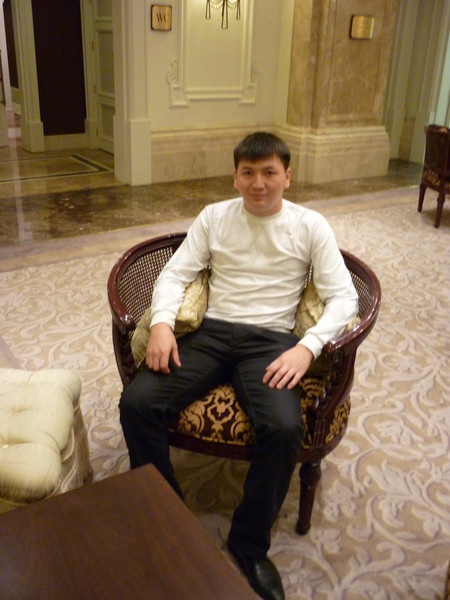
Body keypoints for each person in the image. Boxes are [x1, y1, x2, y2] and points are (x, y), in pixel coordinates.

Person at [119, 132, 358, 600]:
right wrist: (162, 323)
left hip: (271, 342)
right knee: (137, 403)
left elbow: (344, 297)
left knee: (284, 428)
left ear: (287, 176)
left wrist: (307, 347)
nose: (258, 183)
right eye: (248, 172)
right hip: (210, 333)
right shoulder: (214, 217)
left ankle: (249, 545)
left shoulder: (310, 225)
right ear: (235, 176)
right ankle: (168, 518)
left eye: (269, 172)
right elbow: (175, 273)